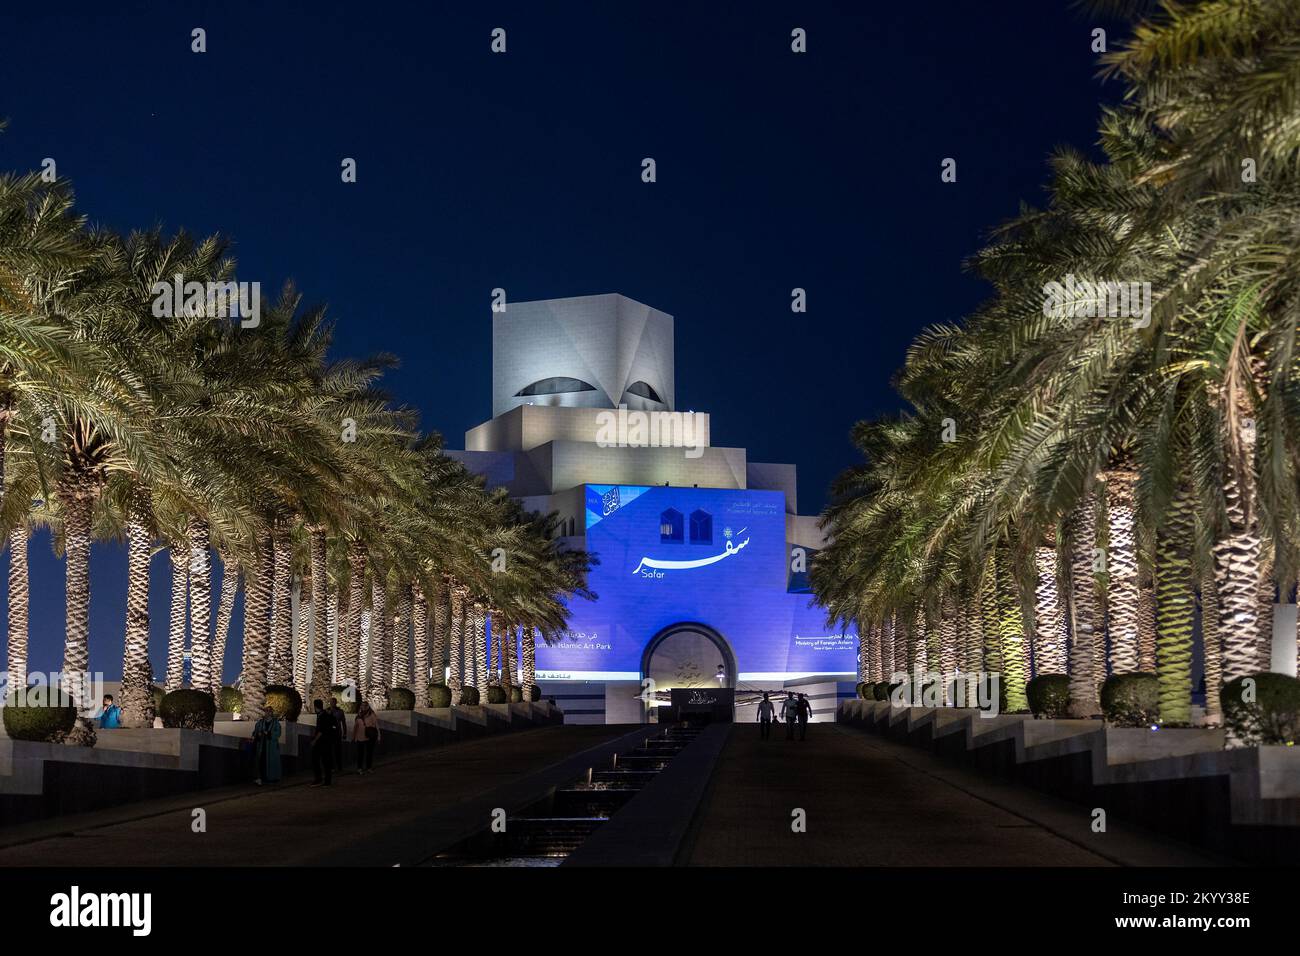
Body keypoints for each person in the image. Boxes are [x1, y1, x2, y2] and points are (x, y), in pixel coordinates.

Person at [310, 699, 337, 787]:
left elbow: (321, 730)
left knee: (323, 761)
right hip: (325, 742)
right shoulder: (323, 714)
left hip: (323, 742)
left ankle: (324, 780)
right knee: (321, 761)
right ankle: (322, 779)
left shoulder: (322, 715)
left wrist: (314, 740)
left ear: (315, 706)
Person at [252, 708, 282, 785]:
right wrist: (257, 734)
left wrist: (268, 733)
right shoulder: (260, 722)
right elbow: (255, 732)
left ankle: (272, 777)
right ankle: (261, 778)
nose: (267, 713)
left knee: (271, 761)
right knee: (261, 761)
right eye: (266, 711)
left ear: (271, 713)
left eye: (268, 711)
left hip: (271, 746)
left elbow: (278, 733)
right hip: (262, 745)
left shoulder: (275, 723)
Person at [352, 701, 380, 774]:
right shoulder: (358, 716)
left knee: (369, 753)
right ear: (360, 706)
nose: (363, 707)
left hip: (369, 736)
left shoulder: (372, 714)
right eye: (362, 705)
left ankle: (369, 768)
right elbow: (355, 727)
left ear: (368, 706)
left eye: (365, 705)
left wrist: (379, 736)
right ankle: (359, 768)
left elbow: (376, 725)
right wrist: (354, 737)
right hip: (360, 737)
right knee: (360, 754)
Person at [328, 696, 347, 770]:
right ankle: (332, 767)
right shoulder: (327, 711)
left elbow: (343, 723)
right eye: (330, 702)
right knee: (330, 751)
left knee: (338, 751)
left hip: (337, 733)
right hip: (329, 733)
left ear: (336, 703)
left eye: (333, 702)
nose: (332, 703)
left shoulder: (340, 711)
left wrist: (345, 733)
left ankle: (339, 767)